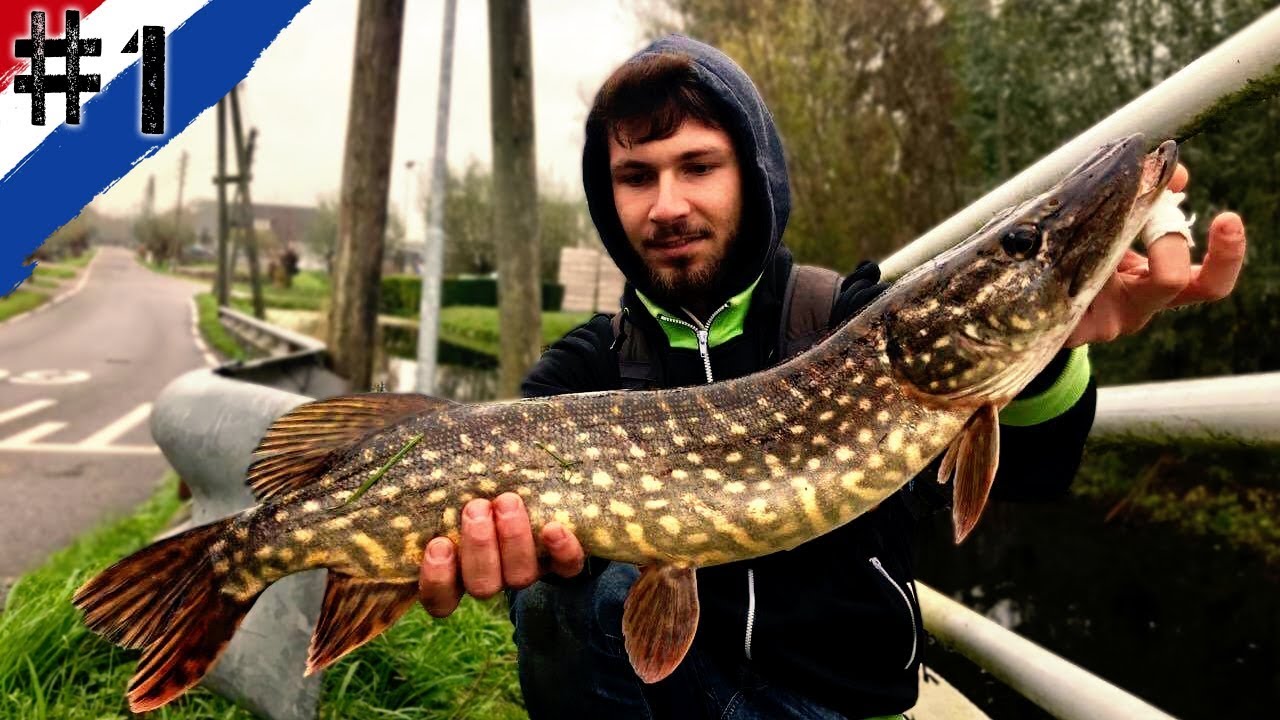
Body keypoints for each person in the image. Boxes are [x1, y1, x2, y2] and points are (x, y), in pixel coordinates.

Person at [417, 35, 1247, 719]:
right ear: (609, 199)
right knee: (564, 600)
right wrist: (532, 570)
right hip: (674, 697)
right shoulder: (579, 373)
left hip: (839, 703)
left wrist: (1060, 344)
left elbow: (1037, 471)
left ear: (752, 175)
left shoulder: (847, 317)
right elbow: (533, 581)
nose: (666, 204)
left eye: (698, 166)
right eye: (637, 177)